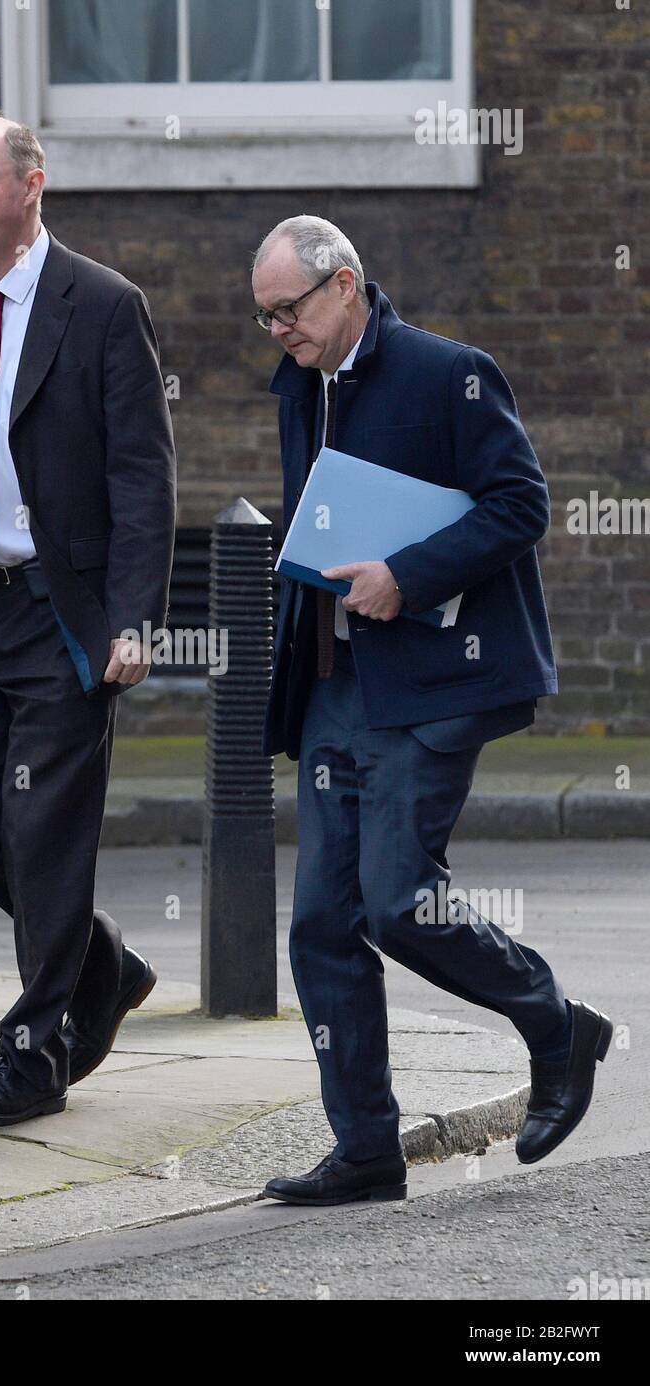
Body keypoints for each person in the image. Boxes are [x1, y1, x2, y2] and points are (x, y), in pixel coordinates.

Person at [251, 215, 612, 1205]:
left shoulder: (450, 372)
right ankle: (366, 1148)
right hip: (333, 685)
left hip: (430, 683)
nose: (278, 328)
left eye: (291, 308)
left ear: (347, 285)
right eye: (266, 315)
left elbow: (520, 503)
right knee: (322, 924)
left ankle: (553, 1020)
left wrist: (405, 577)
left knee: (399, 900)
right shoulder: (300, 385)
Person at [0, 109, 176, 1126]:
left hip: (62, 615)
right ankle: (102, 961)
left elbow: (143, 474)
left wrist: (135, 617)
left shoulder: (103, 304)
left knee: (48, 830)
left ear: (33, 185)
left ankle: (33, 1052)